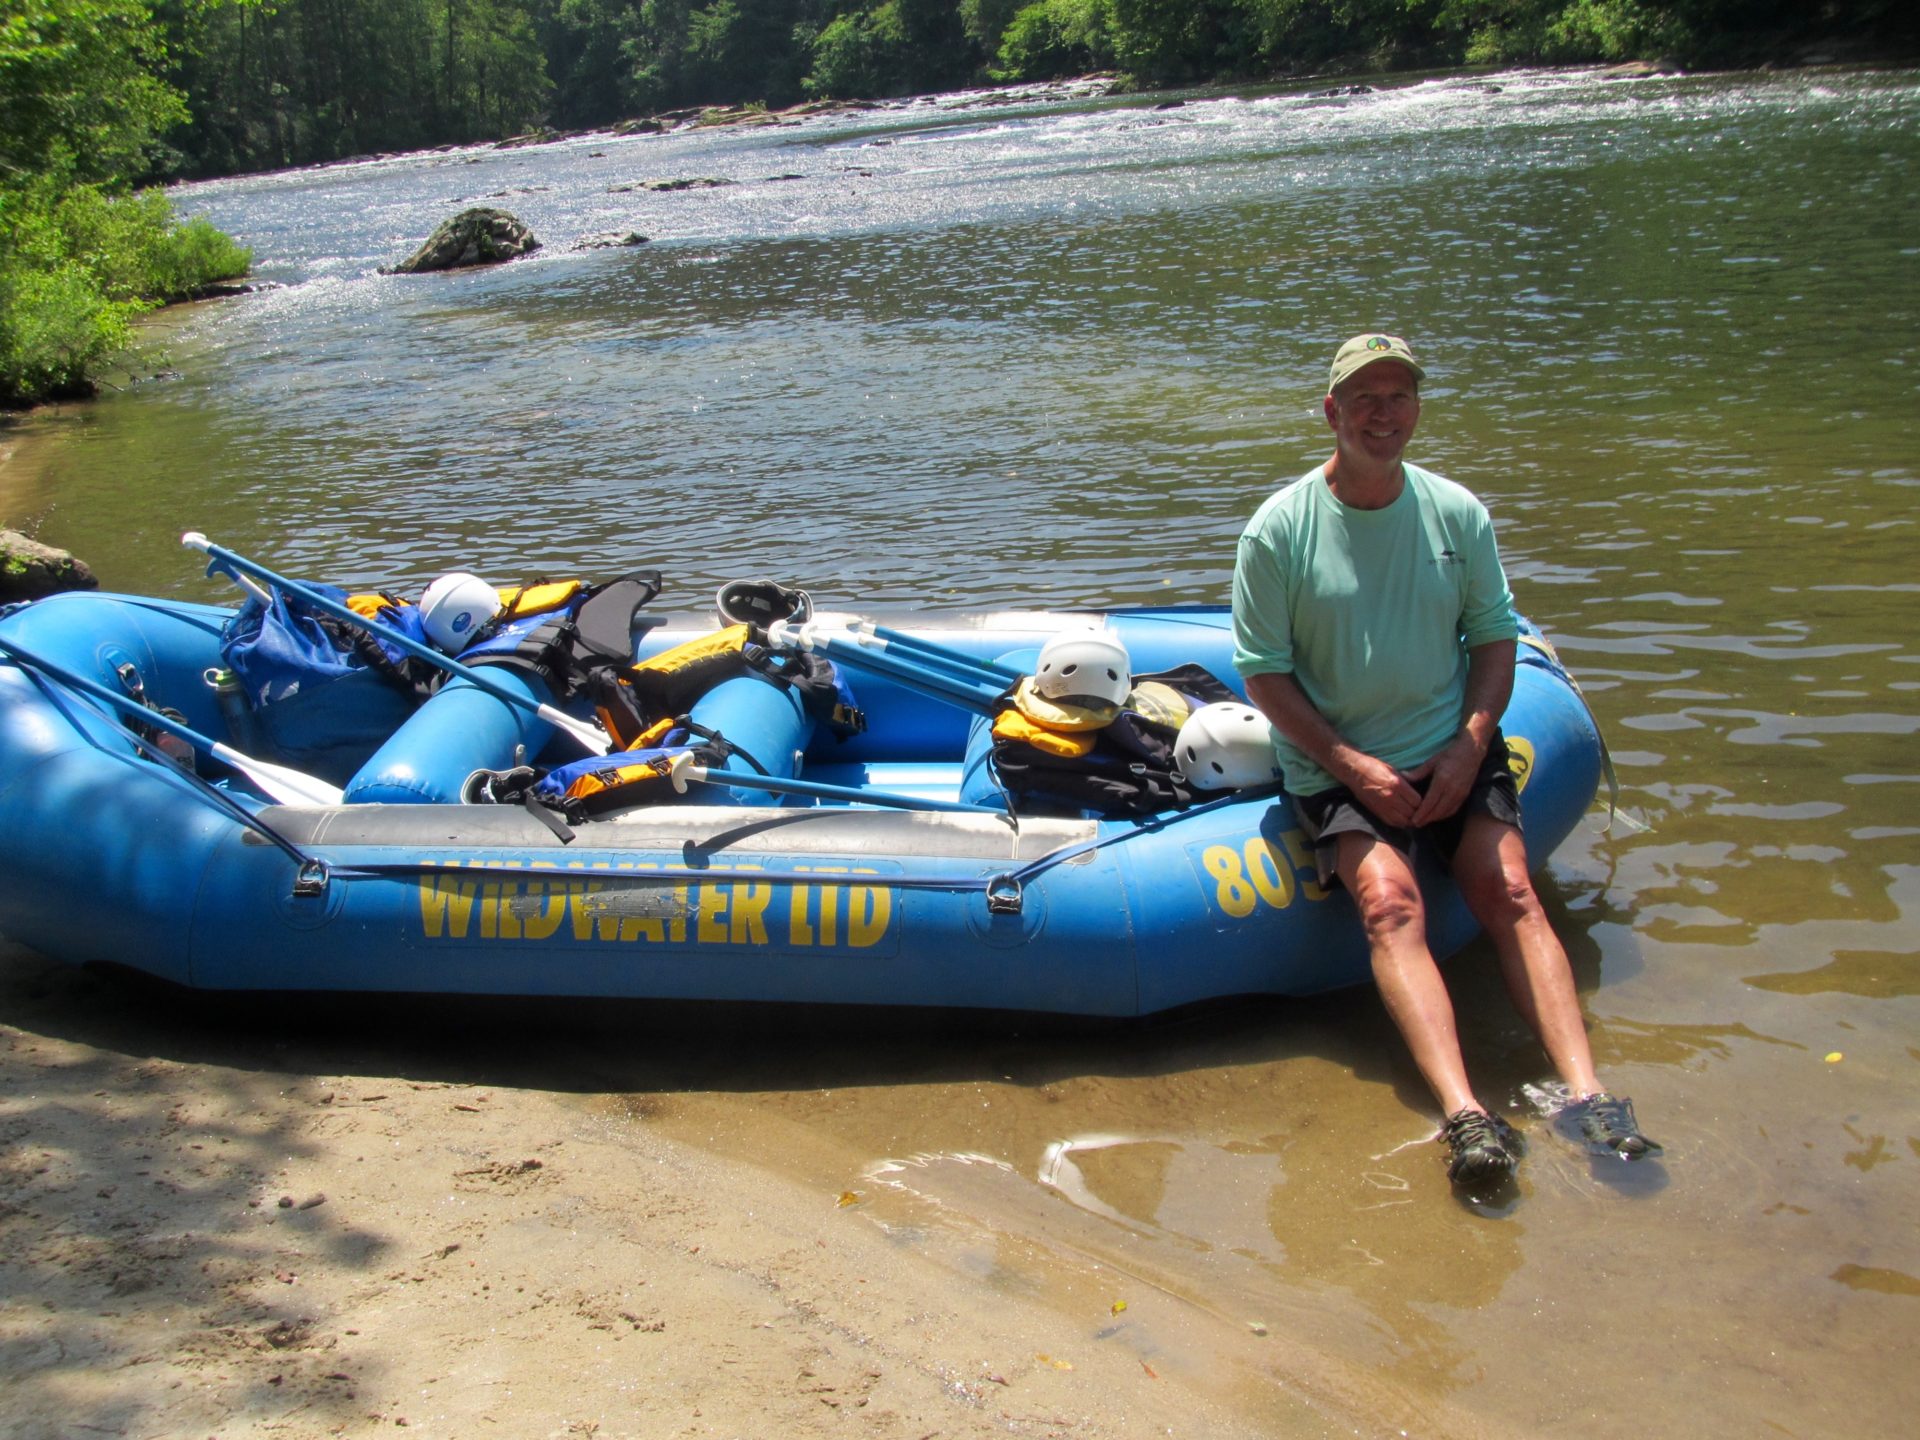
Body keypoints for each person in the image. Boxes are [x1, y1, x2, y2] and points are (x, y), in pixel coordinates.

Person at [1230, 333, 1660, 1189]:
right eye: (1366, 399)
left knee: (1509, 890)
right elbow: (1265, 675)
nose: (1383, 414)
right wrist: (1352, 765)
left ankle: (1588, 1092)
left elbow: (1494, 639)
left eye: (1399, 397)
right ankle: (1466, 1113)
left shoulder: (1456, 513)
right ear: (1332, 412)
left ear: (1416, 409)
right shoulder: (1277, 530)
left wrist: (1468, 746)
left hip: (1449, 746)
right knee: (1389, 905)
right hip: (1338, 763)